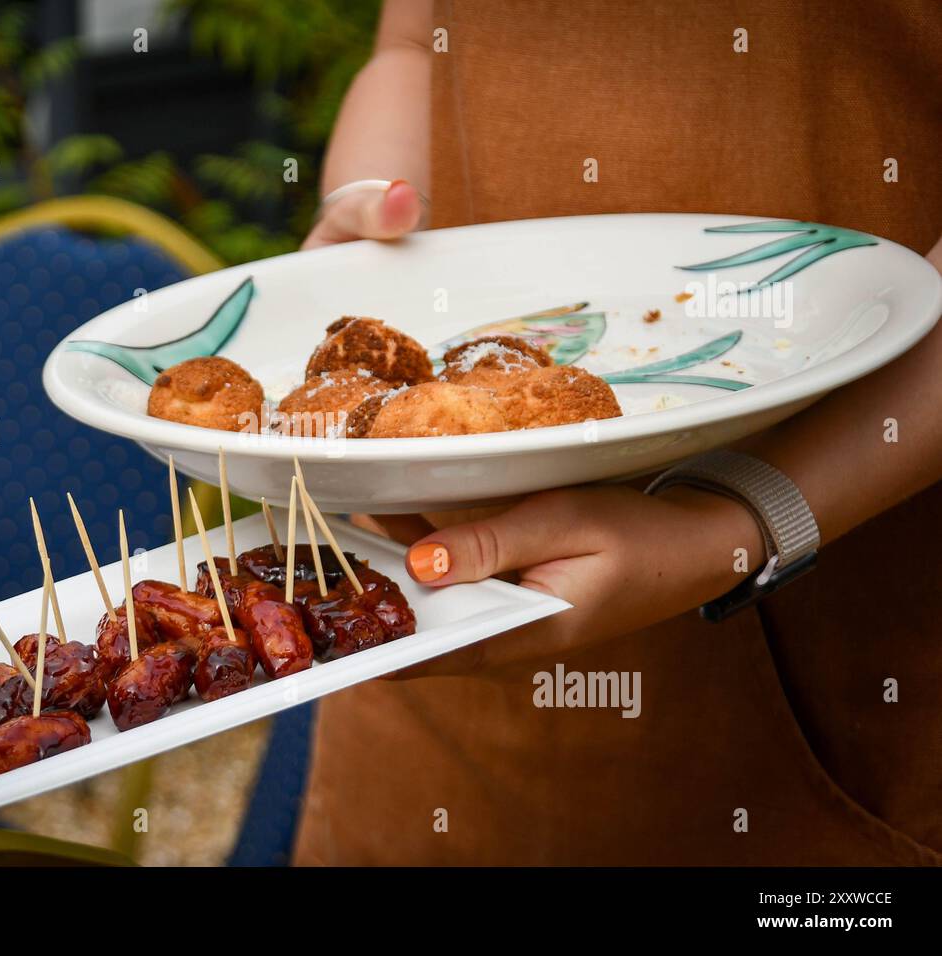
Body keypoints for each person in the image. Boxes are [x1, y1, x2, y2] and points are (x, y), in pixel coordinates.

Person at [292, 0, 942, 865]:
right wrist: (369, 223)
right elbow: (414, 43)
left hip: (836, 664)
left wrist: (746, 517)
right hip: (439, 631)